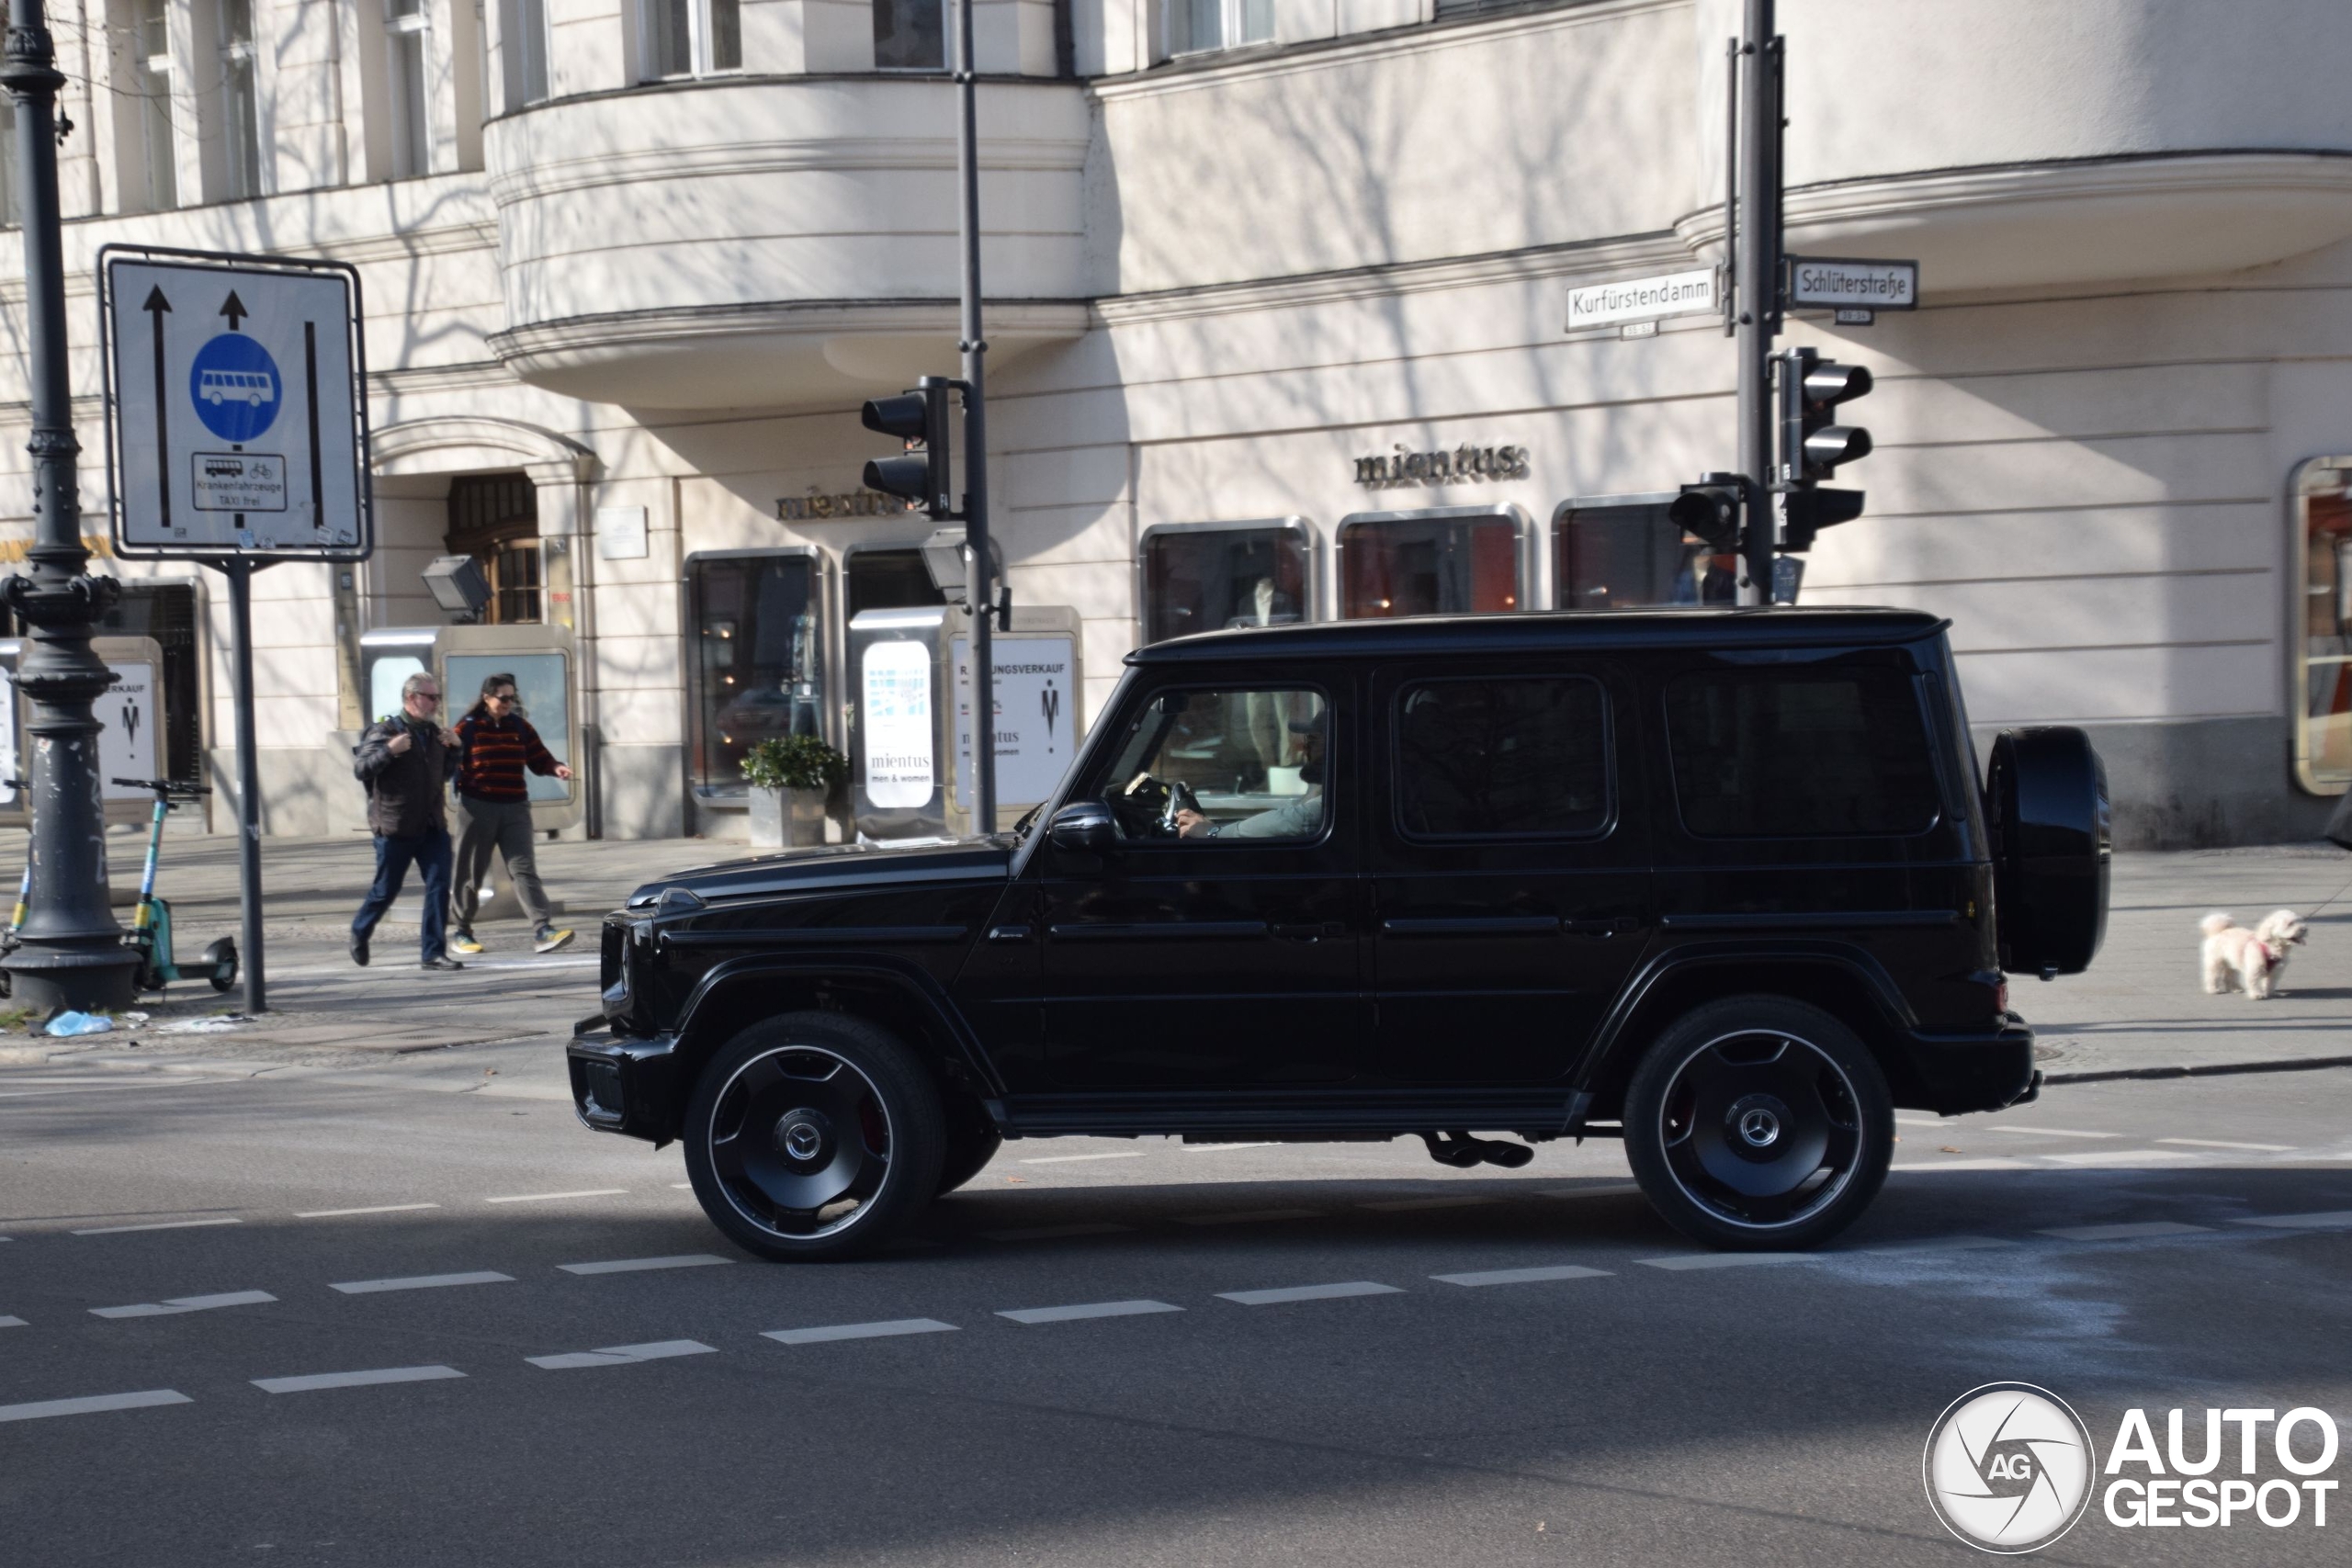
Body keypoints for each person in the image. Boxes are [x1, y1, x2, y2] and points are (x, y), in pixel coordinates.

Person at [447, 672, 576, 955]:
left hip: (516, 807)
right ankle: (462, 930)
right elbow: (451, 759)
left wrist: (555, 767)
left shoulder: (520, 726)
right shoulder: (468, 728)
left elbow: (538, 757)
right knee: (471, 872)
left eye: (512, 697)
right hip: (478, 808)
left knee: (524, 869)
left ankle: (543, 930)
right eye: (503, 698)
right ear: (487, 698)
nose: (508, 703)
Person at [350, 672, 464, 971]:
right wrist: (389, 750)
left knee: (439, 885)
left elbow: (444, 775)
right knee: (386, 890)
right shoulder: (385, 731)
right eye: (431, 697)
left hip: (431, 826)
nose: (436, 703)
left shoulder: (435, 734)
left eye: (437, 697)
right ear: (412, 698)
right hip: (395, 826)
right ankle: (360, 930)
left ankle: (433, 953)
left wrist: (456, 748)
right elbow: (361, 769)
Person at [1173, 718, 1328, 840]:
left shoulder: (1324, 809)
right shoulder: (1326, 792)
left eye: (1313, 740)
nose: (1304, 747)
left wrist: (1213, 832)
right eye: (1307, 739)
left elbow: (1297, 819)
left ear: (1334, 744)